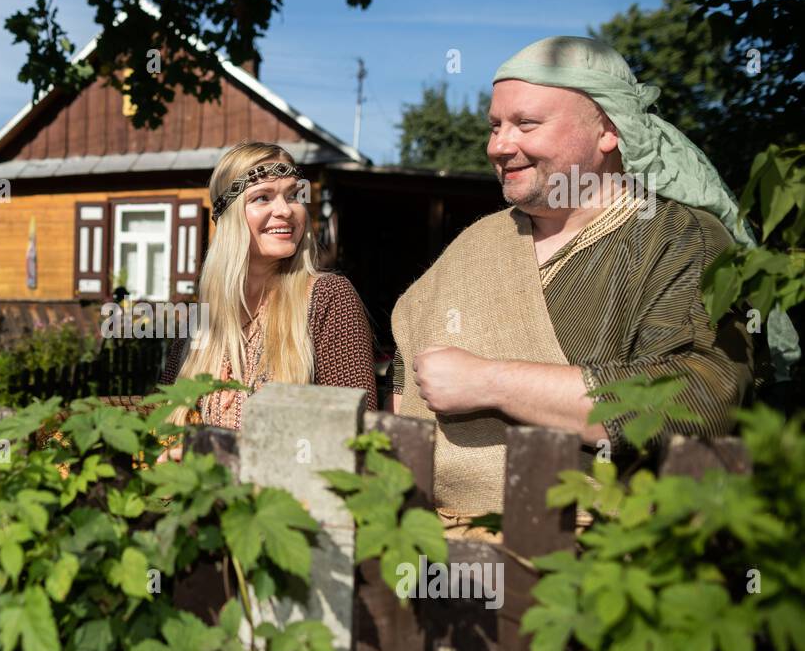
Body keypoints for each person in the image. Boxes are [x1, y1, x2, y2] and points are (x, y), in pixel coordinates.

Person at [390, 36, 777, 520]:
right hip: (435, 547)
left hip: (600, 555)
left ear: (608, 131)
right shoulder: (475, 245)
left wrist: (492, 382)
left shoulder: (678, 239)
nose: (499, 146)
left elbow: (698, 398)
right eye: (495, 126)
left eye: (526, 124)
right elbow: (406, 379)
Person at [158, 141, 376, 437]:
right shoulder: (203, 318)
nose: (285, 210)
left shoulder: (327, 297)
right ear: (230, 215)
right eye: (263, 197)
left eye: (293, 196)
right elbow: (167, 421)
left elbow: (356, 433)